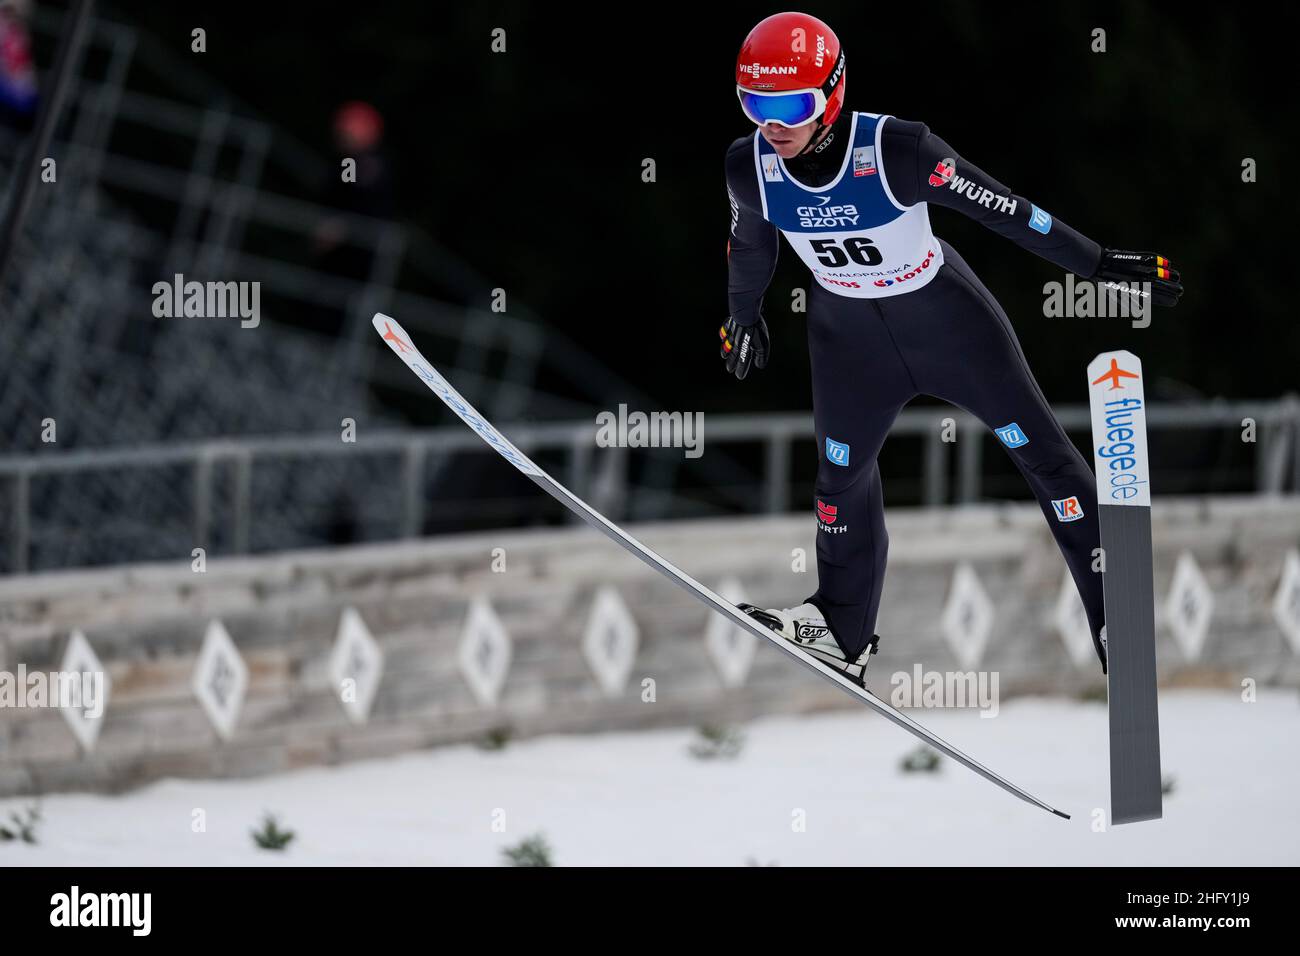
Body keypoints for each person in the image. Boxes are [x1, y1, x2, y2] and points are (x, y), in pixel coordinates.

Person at [722, 12, 1183, 685]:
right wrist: (742, 316)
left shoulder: (899, 151)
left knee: (1046, 460)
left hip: (947, 324)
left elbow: (1008, 210)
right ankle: (842, 629)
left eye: (792, 103)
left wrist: (1099, 264)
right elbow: (749, 247)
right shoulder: (750, 167)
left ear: (833, 92)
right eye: (755, 104)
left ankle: (1115, 613)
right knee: (836, 485)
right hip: (850, 343)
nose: (774, 123)